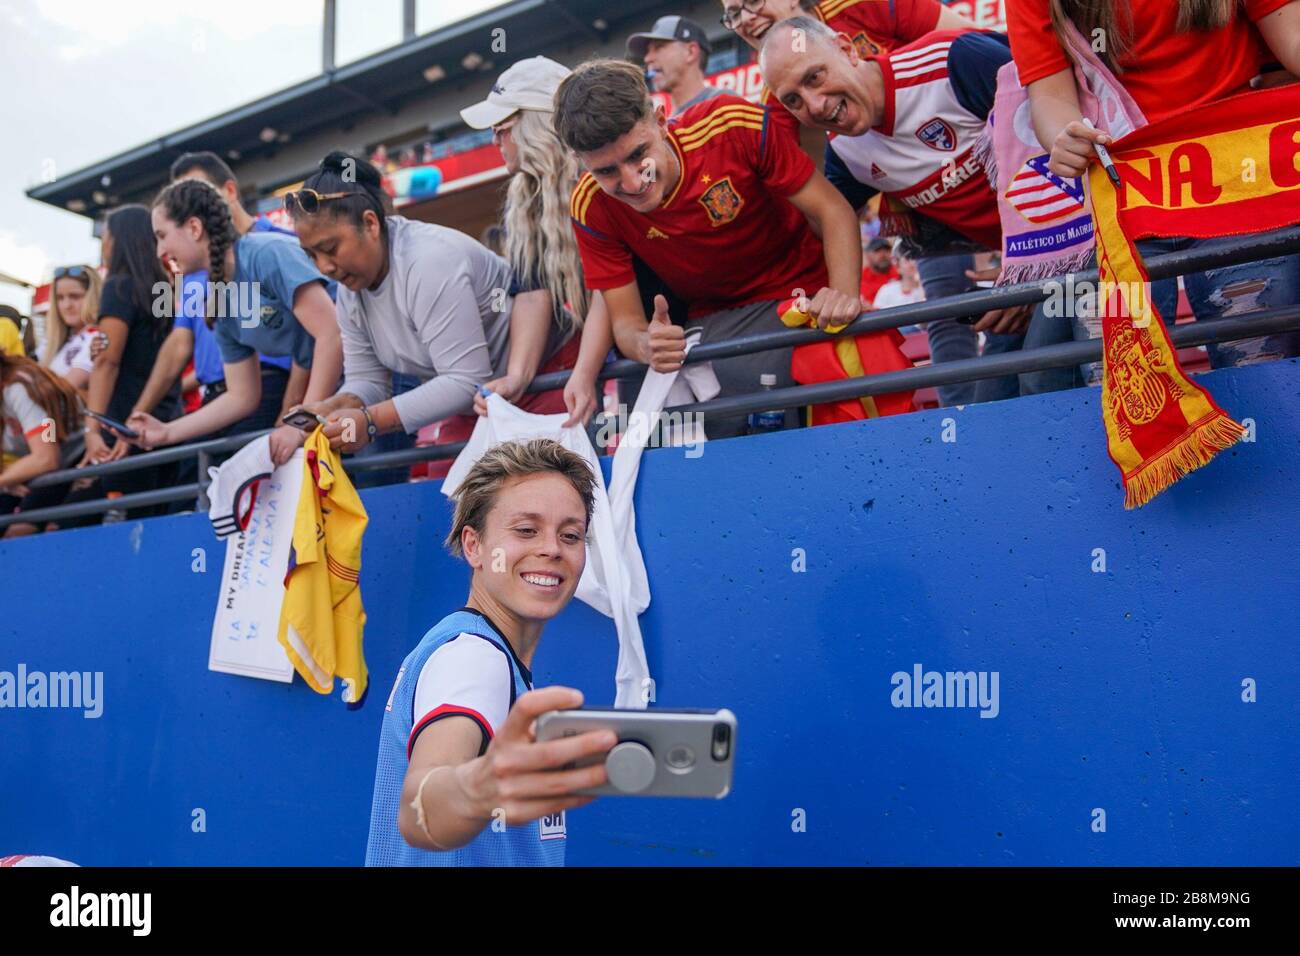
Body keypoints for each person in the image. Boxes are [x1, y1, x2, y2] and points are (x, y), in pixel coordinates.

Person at [555, 59, 865, 439]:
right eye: (607, 172)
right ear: (580, 162)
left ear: (661, 120)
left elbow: (832, 209)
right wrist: (648, 345)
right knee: (667, 421)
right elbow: (627, 325)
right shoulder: (589, 205)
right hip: (714, 323)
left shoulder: (731, 124)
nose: (633, 181)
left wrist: (844, 295)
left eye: (638, 155)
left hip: (802, 297)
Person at [1007, 0, 1300, 376]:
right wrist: (1063, 135)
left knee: (1261, 363)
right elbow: (1050, 95)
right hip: (1125, 192)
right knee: (1116, 377)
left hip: (1241, 177)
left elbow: (1292, 37)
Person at [366, 438, 616, 866]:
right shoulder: (474, 659)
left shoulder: (478, 650)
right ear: (473, 545)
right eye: (525, 530)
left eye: (570, 535)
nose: (552, 548)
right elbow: (420, 808)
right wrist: (475, 788)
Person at [759, 17, 1031, 405]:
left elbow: (1065, 129)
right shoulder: (846, 154)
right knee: (996, 412)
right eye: (793, 100)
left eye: (815, 77)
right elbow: (814, 231)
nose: (814, 105)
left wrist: (1032, 263)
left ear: (847, 48)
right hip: (1025, 283)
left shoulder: (952, 61)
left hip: (1094, 246)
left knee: (1057, 378)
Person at [286, 152, 576, 469]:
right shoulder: (349, 292)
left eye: (330, 249)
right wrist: (330, 407)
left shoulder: (428, 260)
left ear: (370, 223)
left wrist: (370, 421)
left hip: (549, 378)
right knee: (452, 493)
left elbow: (466, 381)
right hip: (481, 405)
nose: (324, 266)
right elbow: (368, 381)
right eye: (311, 255)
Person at [126, 179, 341, 466]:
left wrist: (301, 424)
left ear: (194, 228)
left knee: (372, 484)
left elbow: (332, 334)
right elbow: (242, 396)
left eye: (162, 236)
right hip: (337, 390)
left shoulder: (266, 253)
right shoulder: (218, 302)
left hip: (377, 375)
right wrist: (165, 433)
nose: (159, 251)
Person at [459, 55, 612, 429]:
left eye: (502, 126)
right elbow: (531, 292)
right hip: (591, 351)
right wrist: (517, 375)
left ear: (535, 124)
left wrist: (585, 370)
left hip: (637, 339)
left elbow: (610, 285)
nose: (494, 138)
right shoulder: (525, 199)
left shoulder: (600, 177)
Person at [132, 154, 298, 436]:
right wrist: (141, 414)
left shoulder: (277, 247)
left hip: (275, 393)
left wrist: (293, 408)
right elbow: (178, 345)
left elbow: (321, 337)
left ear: (229, 191)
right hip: (220, 401)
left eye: (197, 191)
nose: (187, 204)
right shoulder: (196, 274)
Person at [720, 0, 974, 142]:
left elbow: (976, 44)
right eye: (733, 14)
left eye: (753, 1)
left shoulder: (863, 5)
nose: (746, 19)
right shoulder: (778, 96)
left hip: (975, 120)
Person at [81, 205, 183, 517]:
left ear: (119, 240)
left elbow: (107, 362)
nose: (103, 247)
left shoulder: (119, 286)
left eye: (106, 238)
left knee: (122, 529)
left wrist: (92, 429)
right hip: (166, 422)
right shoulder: (164, 289)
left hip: (123, 432)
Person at [0, 353, 82, 537]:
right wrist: (8, 480)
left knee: (17, 532)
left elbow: (47, 457)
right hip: (47, 467)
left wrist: (5, 479)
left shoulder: (21, 388)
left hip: (79, 459)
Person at [628, 15, 727, 117]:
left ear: (690, 52)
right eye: (647, 51)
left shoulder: (725, 106)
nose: (647, 59)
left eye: (659, 47)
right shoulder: (664, 126)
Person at [41, 265, 103, 395]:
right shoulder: (53, 342)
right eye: (60, 298)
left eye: (75, 296)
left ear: (93, 296)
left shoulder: (97, 336)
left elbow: (63, 390)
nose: (66, 305)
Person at [860, 236, 899, 307]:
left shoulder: (900, 274)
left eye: (887, 250)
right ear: (867, 254)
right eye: (877, 251)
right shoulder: (859, 279)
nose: (883, 254)